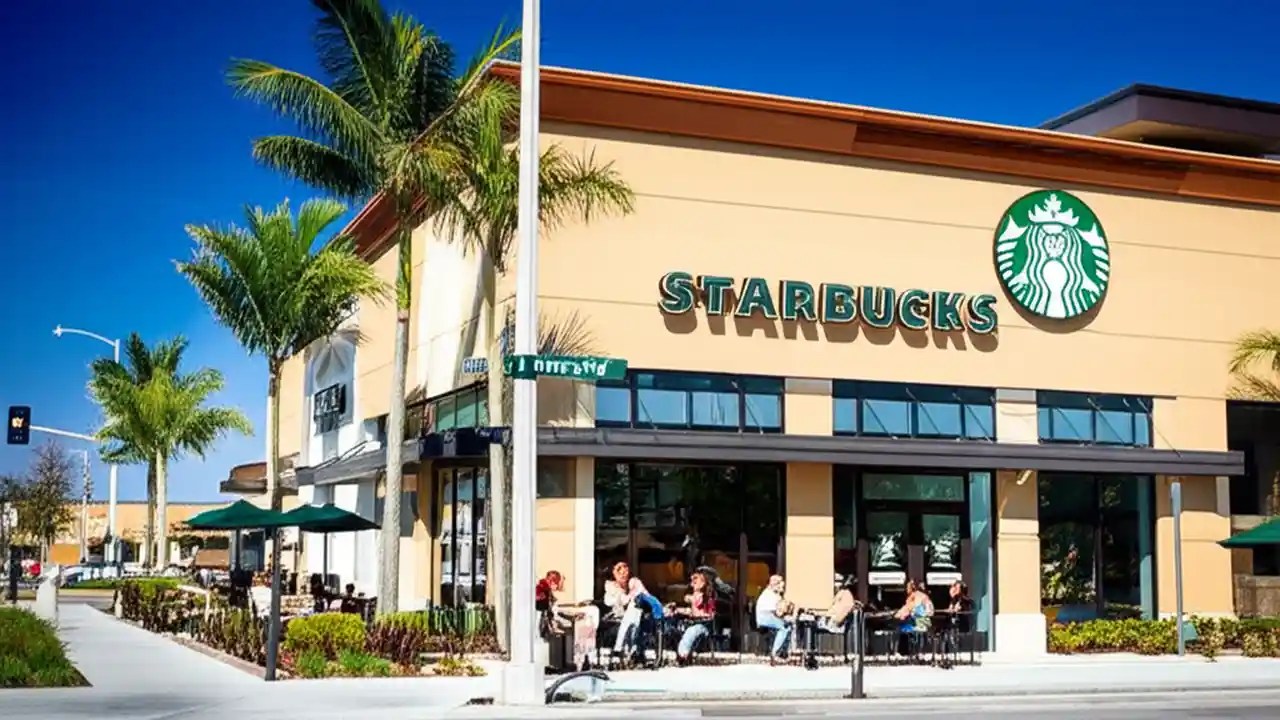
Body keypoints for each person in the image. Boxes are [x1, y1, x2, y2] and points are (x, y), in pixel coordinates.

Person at [539, 570, 600, 667]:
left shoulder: (547, 593)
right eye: (559, 582)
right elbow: (554, 611)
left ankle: (583, 657)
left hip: (557, 618)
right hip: (552, 622)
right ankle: (584, 657)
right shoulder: (546, 594)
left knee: (584, 621)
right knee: (587, 618)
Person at [603, 561, 648, 657]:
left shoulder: (633, 583)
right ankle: (632, 649)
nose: (623, 575)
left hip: (636, 618)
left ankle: (621, 648)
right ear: (613, 573)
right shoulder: (611, 588)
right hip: (614, 620)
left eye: (625, 571)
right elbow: (616, 602)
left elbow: (646, 595)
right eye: (619, 572)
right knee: (633, 610)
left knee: (634, 609)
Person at [672, 570, 717, 665]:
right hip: (694, 623)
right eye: (692, 581)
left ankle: (683, 654)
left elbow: (708, 614)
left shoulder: (706, 597)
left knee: (691, 632)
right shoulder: (695, 596)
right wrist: (676, 610)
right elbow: (691, 612)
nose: (692, 584)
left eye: (695, 581)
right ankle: (682, 653)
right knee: (677, 629)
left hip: (703, 625)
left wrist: (692, 600)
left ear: (703, 583)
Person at [754, 575, 794, 663]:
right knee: (785, 627)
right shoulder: (769, 594)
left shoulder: (773, 594)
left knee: (787, 625)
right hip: (765, 617)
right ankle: (775, 652)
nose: (782, 588)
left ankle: (782, 651)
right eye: (781, 586)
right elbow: (777, 611)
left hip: (768, 617)